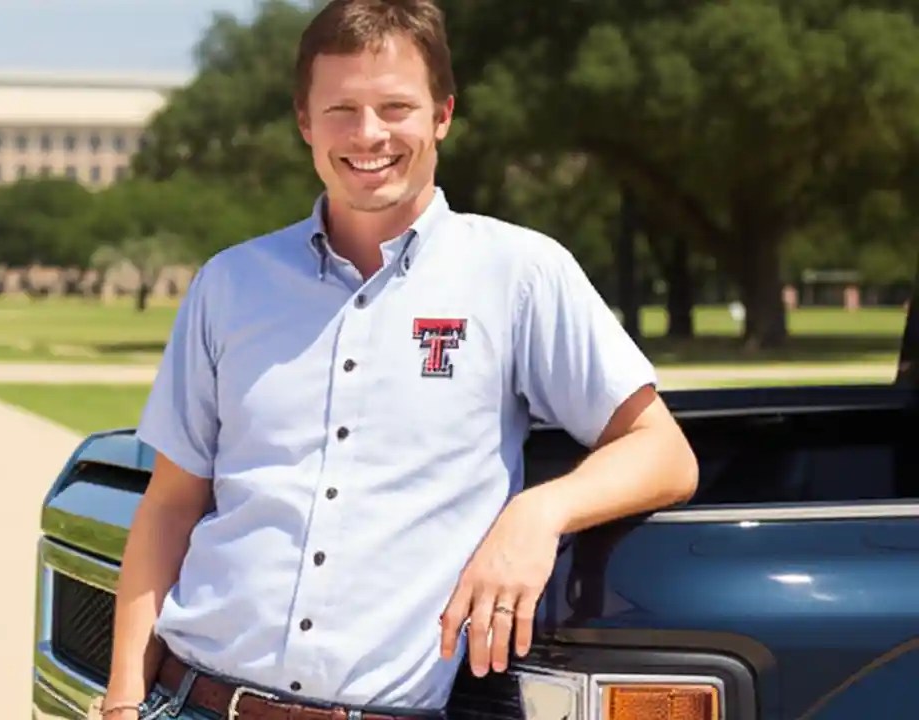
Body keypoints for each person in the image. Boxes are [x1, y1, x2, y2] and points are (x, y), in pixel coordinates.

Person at [99, 2, 700, 720]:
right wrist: (122, 704)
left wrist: (538, 513)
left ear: (443, 114)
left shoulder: (519, 274)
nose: (369, 134)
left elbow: (663, 453)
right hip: (193, 698)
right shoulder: (229, 284)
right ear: (304, 122)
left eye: (395, 106)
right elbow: (170, 506)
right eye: (342, 109)